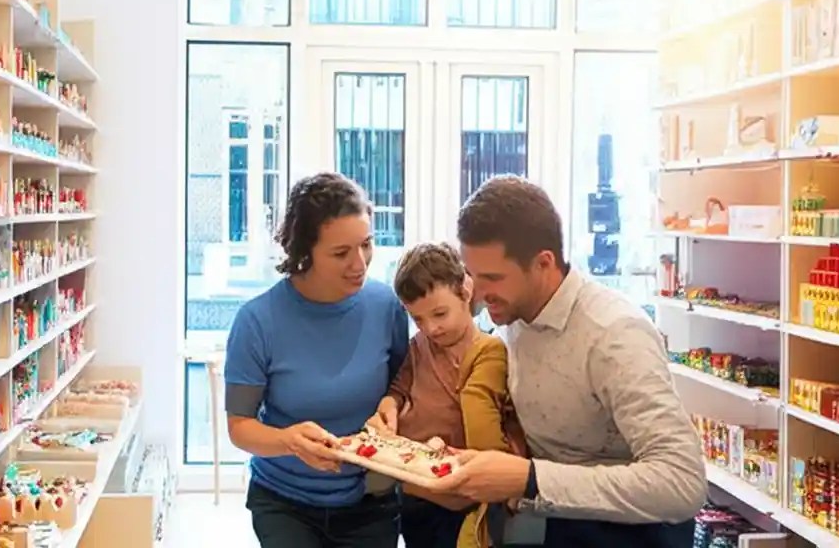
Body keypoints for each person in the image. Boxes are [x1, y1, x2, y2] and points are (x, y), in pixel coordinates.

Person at [430, 176, 707, 547]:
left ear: (544, 263)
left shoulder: (613, 334)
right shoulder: (514, 313)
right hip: (561, 526)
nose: (476, 295)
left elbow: (682, 483)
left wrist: (529, 479)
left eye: (492, 278)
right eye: (471, 276)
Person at [224, 172, 410, 548]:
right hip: (284, 503)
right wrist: (288, 441)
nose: (360, 263)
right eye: (341, 253)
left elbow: (402, 386)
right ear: (304, 252)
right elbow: (240, 426)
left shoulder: (386, 306)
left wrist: (393, 404)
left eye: (367, 245)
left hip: (370, 499)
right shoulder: (257, 321)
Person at [368, 242, 522, 548]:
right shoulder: (418, 348)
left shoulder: (487, 351)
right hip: (415, 492)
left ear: (465, 292)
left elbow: (486, 428)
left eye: (439, 314)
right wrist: (388, 406)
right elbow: (397, 390)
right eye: (419, 320)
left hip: (461, 498)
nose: (431, 329)